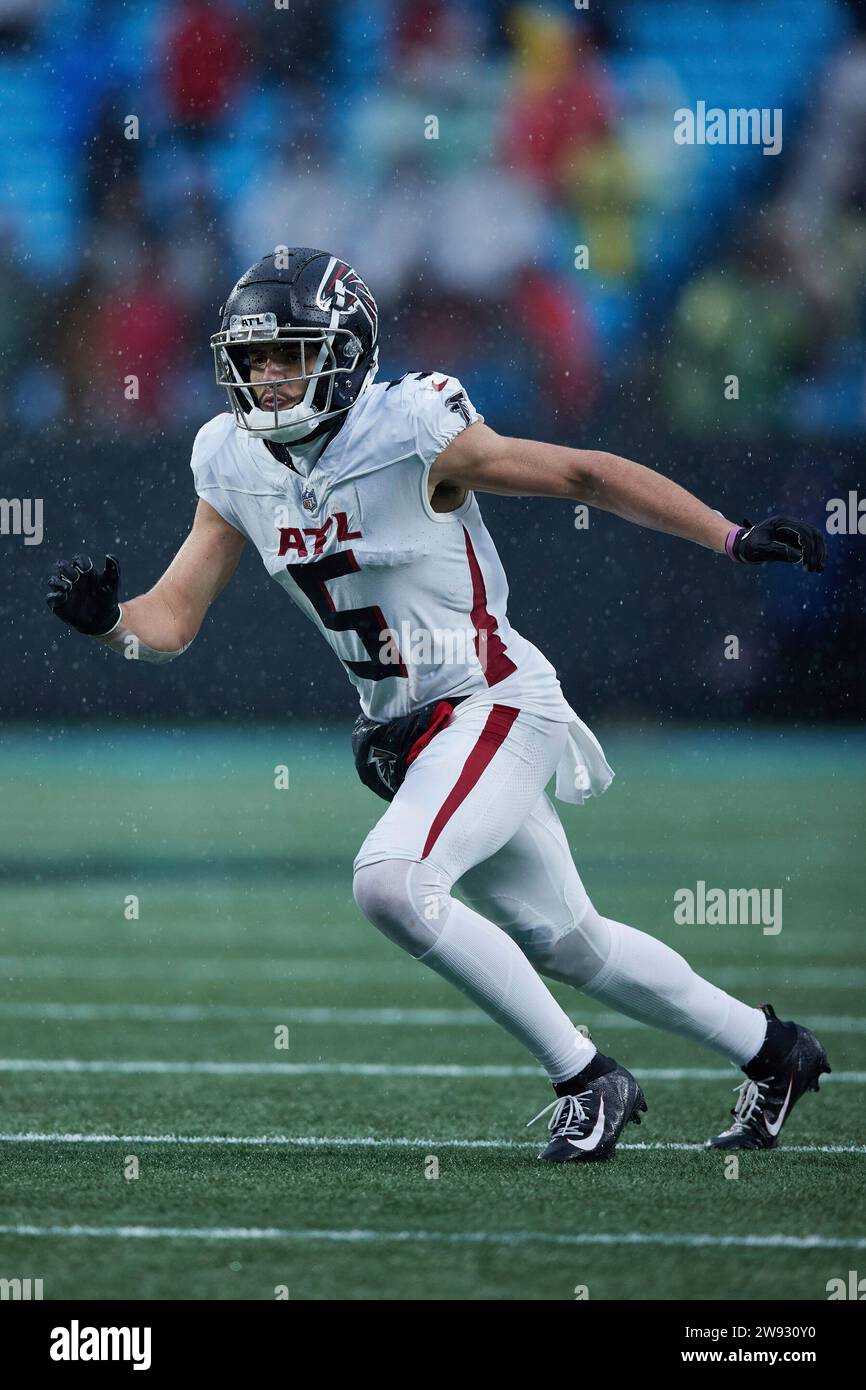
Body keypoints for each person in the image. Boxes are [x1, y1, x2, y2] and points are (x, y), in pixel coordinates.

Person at [47, 247, 830, 1162]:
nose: (264, 375)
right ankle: (774, 1053)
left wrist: (728, 536)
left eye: (288, 353)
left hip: (491, 700)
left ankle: (585, 1078)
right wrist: (108, 623)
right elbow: (170, 621)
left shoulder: (412, 426)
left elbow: (581, 473)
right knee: (572, 943)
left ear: (343, 348)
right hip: (411, 733)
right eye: (252, 357)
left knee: (390, 882)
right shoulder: (228, 458)